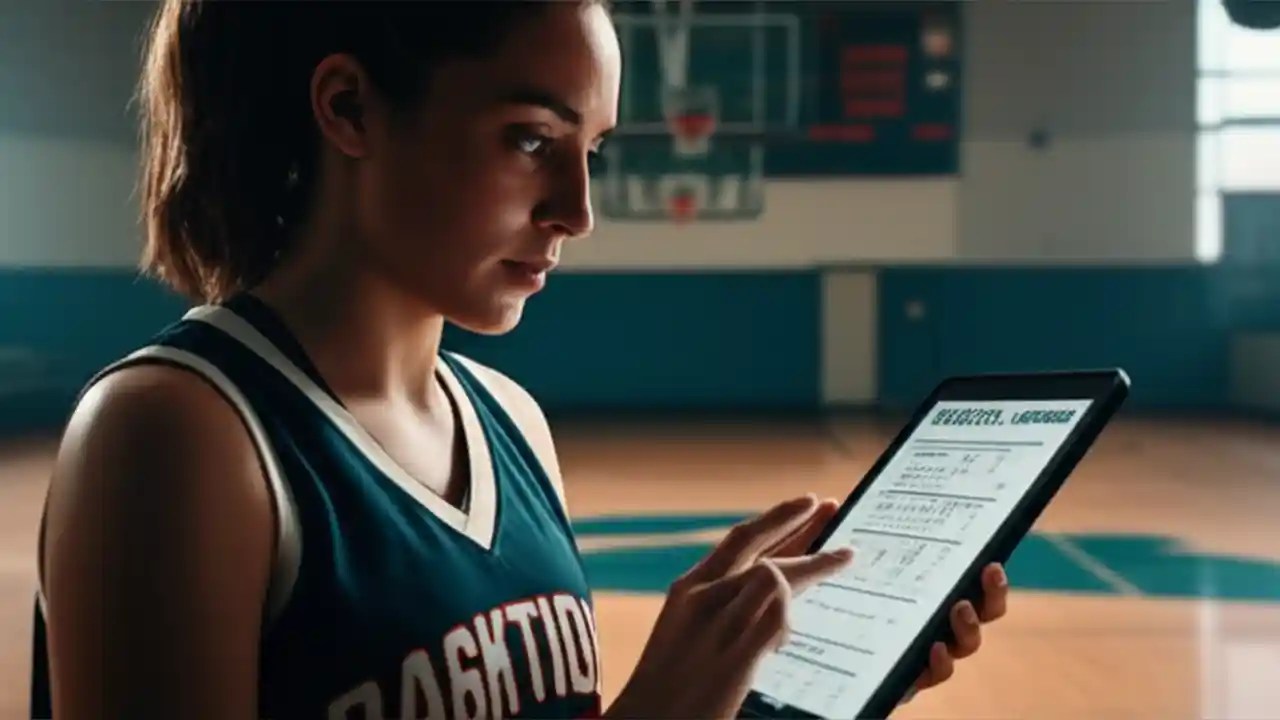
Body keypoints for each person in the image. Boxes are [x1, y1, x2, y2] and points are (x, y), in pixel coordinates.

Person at [31, 1, 1010, 718]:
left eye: (594, 150)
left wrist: (744, 692)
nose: (575, 212)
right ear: (349, 109)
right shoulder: (176, 435)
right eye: (531, 139)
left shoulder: (510, 422)